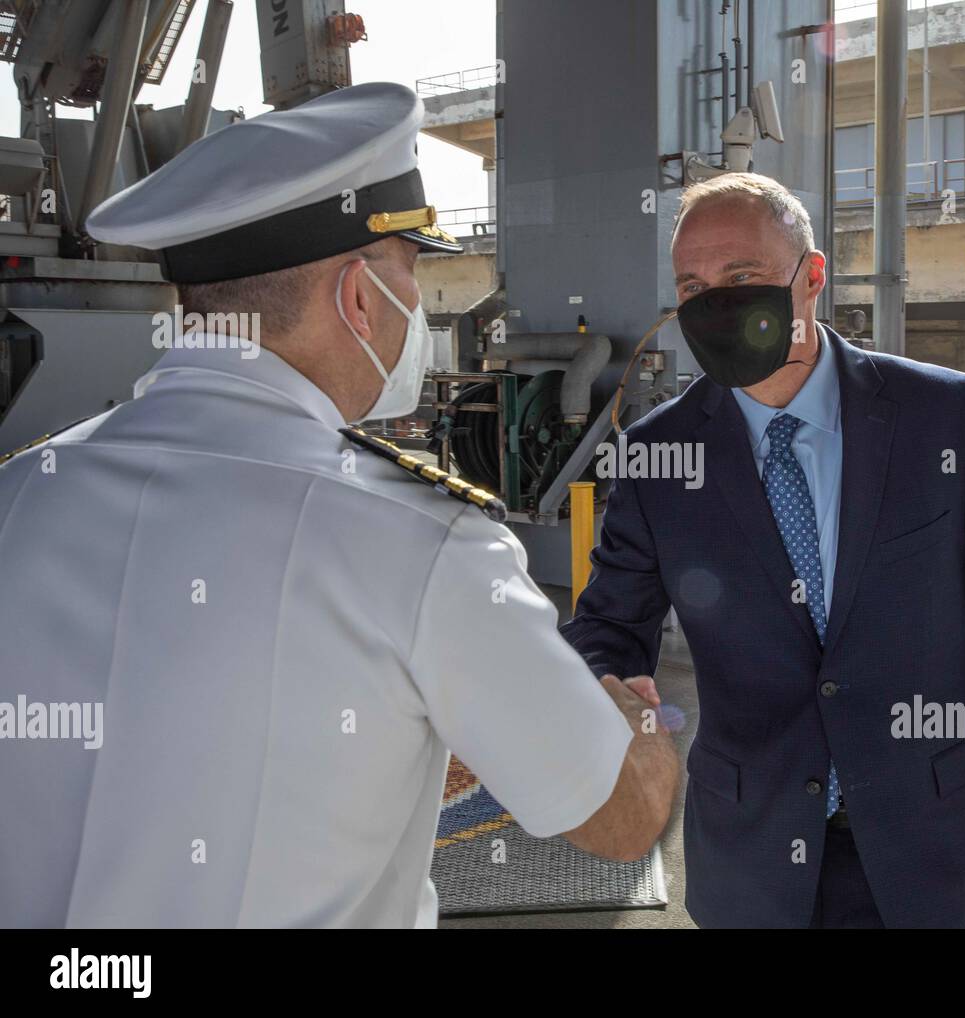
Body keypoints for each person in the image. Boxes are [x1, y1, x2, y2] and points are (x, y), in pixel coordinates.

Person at [0, 82, 677, 928]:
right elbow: (617, 820)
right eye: (411, 276)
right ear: (360, 299)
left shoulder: (21, 496)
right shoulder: (422, 543)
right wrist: (637, 729)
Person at [561, 173, 965, 928]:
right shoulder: (657, 453)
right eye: (694, 286)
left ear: (812, 277)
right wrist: (604, 690)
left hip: (936, 846)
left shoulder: (944, 417)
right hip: (754, 858)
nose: (717, 303)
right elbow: (609, 625)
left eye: (743, 277)